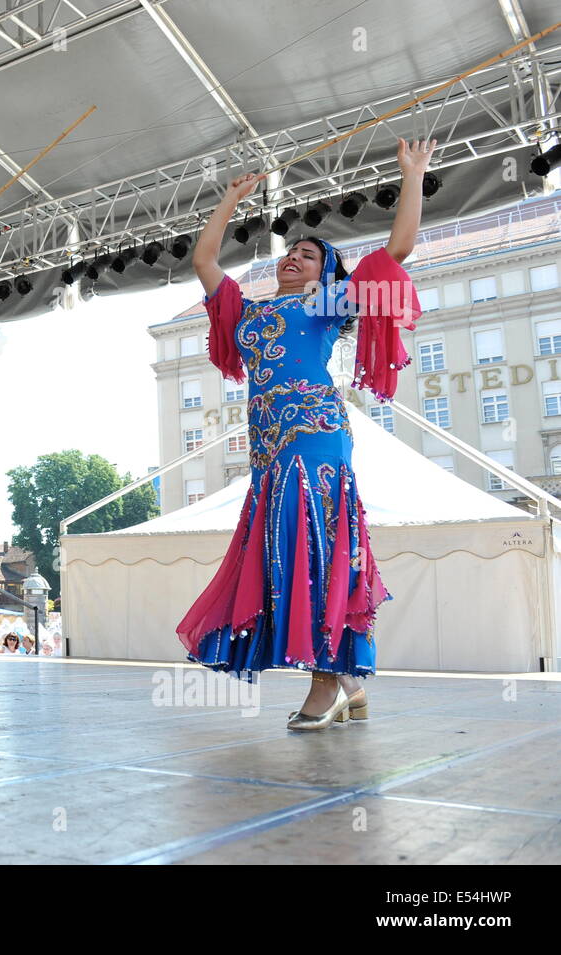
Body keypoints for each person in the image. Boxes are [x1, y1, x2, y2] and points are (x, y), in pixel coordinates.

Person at [177, 139, 433, 731]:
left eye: (310, 255)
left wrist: (412, 175)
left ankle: (326, 682)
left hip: (314, 438)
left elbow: (399, 249)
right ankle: (348, 683)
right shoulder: (248, 313)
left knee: (315, 554)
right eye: (290, 251)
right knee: (281, 559)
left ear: (326, 275)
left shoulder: (325, 303)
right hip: (269, 453)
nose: (294, 258)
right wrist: (228, 201)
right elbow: (204, 261)